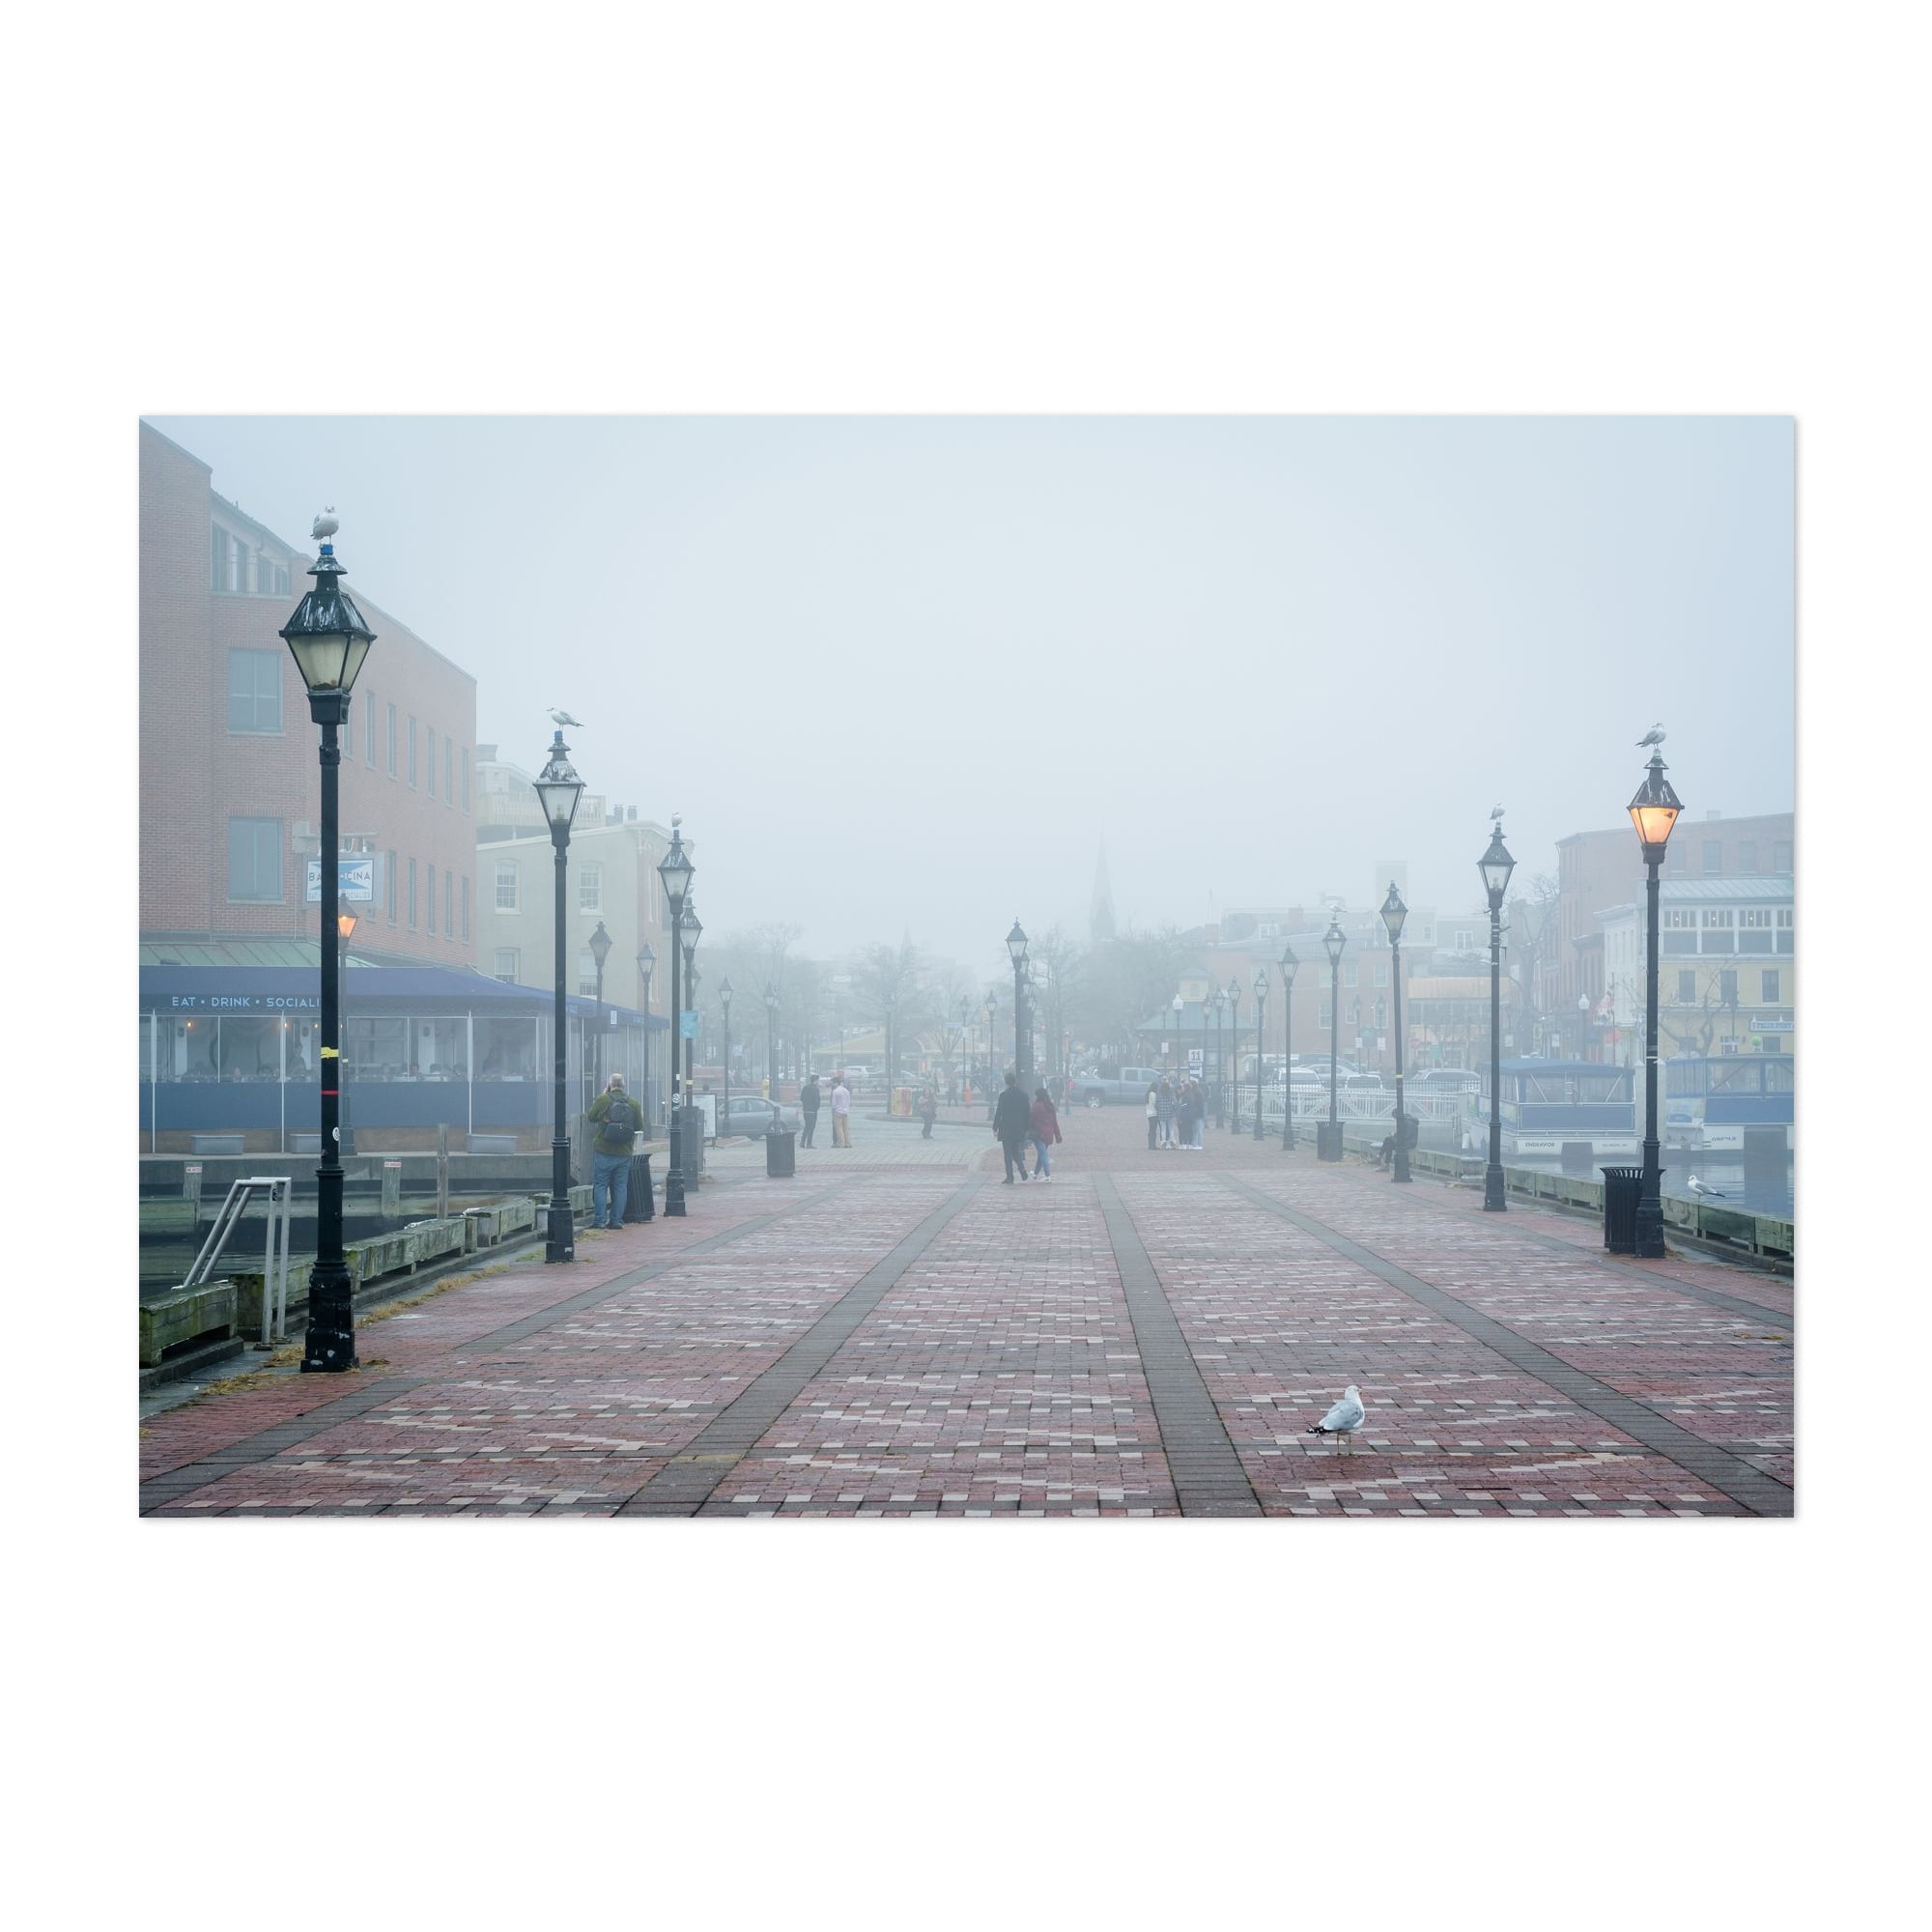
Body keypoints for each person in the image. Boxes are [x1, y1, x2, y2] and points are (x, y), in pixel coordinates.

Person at [587, 1071, 640, 1228]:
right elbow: (638, 1126)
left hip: (604, 1150)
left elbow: (591, 1117)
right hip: (624, 1152)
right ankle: (616, 1220)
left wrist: (604, 1096)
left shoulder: (604, 1099)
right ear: (623, 1086)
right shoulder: (633, 1103)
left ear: (610, 1085)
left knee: (601, 1185)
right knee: (620, 1186)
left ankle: (599, 1221)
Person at [993, 1071, 1033, 1182]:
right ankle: (1022, 1170)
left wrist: (995, 1127)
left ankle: (1010, 1176)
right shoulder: (1024, 1095)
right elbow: (1027, 1113)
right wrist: (1026, 1128)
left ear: (1006, 1082)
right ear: (1015, 1081)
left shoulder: (1003, 1095)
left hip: (1006, 1128)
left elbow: (999, 1112)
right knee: (1015, 1151)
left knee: (1008, 1154)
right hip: (1019, 1128)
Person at [1029, 1085, 1063, 1180]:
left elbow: (1030, 1119)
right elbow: (1054, 1122)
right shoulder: (1050, 1106)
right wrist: (1058, 1136)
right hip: (1049, 1134)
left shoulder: (1036, 1106)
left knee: (1043, 1154)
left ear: (1038, 1096)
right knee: (1041, 1154)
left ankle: (1048, 1176)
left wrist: (1029, 1130)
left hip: (1039, 1134)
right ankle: (1035, 1174)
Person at [800, 1074, 822, 1147]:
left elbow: (801, 1098)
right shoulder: (815, 1089)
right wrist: (816, 1108)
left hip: (805, 1110)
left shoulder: (805, 1087)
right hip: (812, 1111)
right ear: (816, 1081)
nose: (819, 1082)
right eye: (818, 1080)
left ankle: (802, 1142)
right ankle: (809, 1143)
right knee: (811, 1127)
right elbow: (817, 1101)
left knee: (807, 1126)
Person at [830, 1073, 852, 1147]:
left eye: (833, 1083)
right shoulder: (846, 1091)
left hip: (838, 1111)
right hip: (846, 1111)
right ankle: (847, 1143)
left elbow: (834, 1104)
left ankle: (840, 1142)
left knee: (838, 1128)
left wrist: (833, 1111)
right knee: (846, 1128)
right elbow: (849, 1102)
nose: (832, 1085)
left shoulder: (835, 1091)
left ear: (836, 1083)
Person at [1156, 1076, 1177, 1150]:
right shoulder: (1171, 1093)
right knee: (1171, 1128)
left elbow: (1157, 1103)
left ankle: (1163, 1142)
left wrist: (1158, 1109)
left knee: (1163, 1129)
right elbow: (1175, 1102)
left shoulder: (1159, 1093)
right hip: (1170, 1113)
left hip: (1162, 1113)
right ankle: (1172, 1141)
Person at [1146, 1082, 1160, 1151]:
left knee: (1151, 1129)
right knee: (1153, 1130)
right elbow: (1155, 1103)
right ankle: (1152, 1145)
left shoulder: (1148, 1093)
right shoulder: (1153, 1094)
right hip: (1154, 1113)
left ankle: (1150, 1145)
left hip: (1149, 1113)